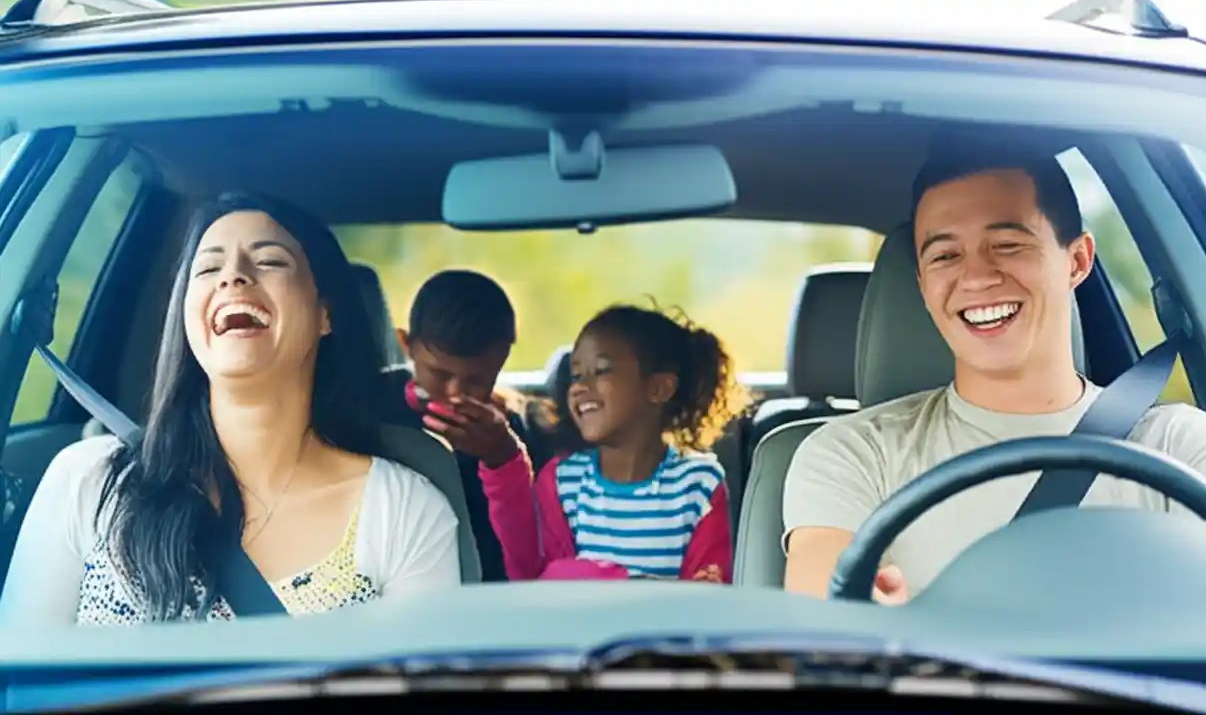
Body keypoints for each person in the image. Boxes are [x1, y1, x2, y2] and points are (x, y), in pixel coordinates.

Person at [782, 142, 1206, 603]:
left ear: (1077, 261)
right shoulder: (852, 454)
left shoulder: (1182, 447)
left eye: (1008, 245)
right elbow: (824, 612)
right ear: (923, 285)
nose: (976, 277)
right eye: (945, 256)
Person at [0, 192, 460, 625]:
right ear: (186, 315)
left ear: (326, 314)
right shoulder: (89, 482)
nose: (233, 276)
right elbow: (20, 674)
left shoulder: (404, 511)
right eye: (207, 268)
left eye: (270, 261)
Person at [477, 304, 752, 582]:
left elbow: (707, 590)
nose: (579, 387)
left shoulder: (698, 483)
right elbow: (540, 579)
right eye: (577, 376)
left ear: (659, 389)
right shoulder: (563, 481)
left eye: (601, 371)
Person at [377, 270, 547, 582]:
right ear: (406, 344)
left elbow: (523, 553)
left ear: (502, 360)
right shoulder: (373, 407)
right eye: (439, 374)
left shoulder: (505, 433)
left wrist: (501, 458)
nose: (455, 393)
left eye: (477, 380)